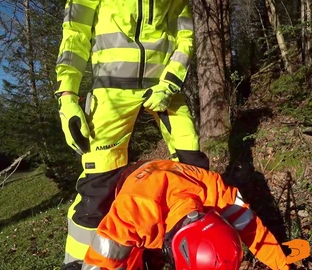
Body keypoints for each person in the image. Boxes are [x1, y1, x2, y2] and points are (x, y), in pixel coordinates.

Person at [54, 0, 209, 268]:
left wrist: (170, 83)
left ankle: (186, 252)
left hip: (164, 88)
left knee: (193, 170)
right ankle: (79, 263)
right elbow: (75, 35)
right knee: (98, 185)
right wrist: (67, 97)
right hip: (110, 91)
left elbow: (185, 35)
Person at [80, 159, 290, 270]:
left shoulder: (216, 191)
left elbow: (254, 230)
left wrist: (283, 267)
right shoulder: (134, 210)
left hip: (170, 175)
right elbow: (102, 262)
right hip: (131, 181)